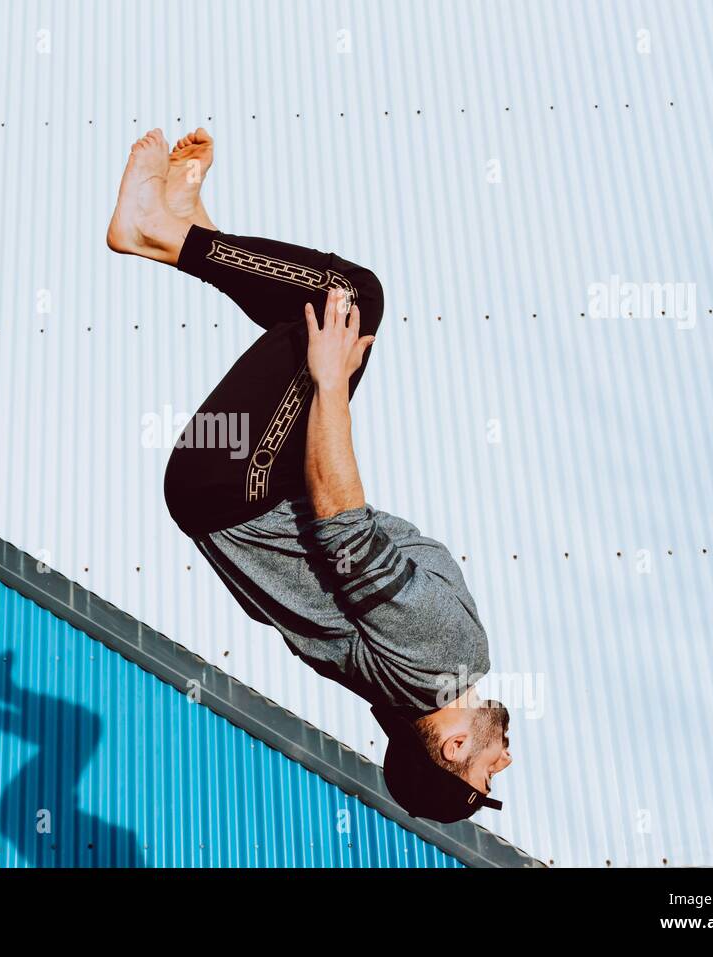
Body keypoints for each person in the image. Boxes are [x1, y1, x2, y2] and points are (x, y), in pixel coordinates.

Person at [106, 128, 512, 824]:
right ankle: (188, 226)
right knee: (311, 315)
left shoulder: (449, 655)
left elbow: (343, 529)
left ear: (451, 745)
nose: (503, 757)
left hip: (237, 482)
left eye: (486, 767)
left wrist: (330, 385)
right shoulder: (396, 693)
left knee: (348, 299)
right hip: (215, 493)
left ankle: (152, 227)